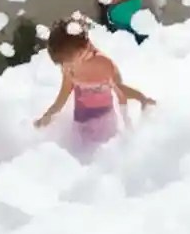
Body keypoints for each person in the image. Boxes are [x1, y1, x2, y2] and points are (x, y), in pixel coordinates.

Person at [34, 15, 154, 148]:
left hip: (104, 123)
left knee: (102, 152)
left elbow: (121, 91)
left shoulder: (103, 65)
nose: (66, 68)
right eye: (62, 64)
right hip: (80, 123)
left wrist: (142, 99)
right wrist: (48, 115)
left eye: (69, 62)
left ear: (83, 50)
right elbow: (63, 95)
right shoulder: (68, 67)